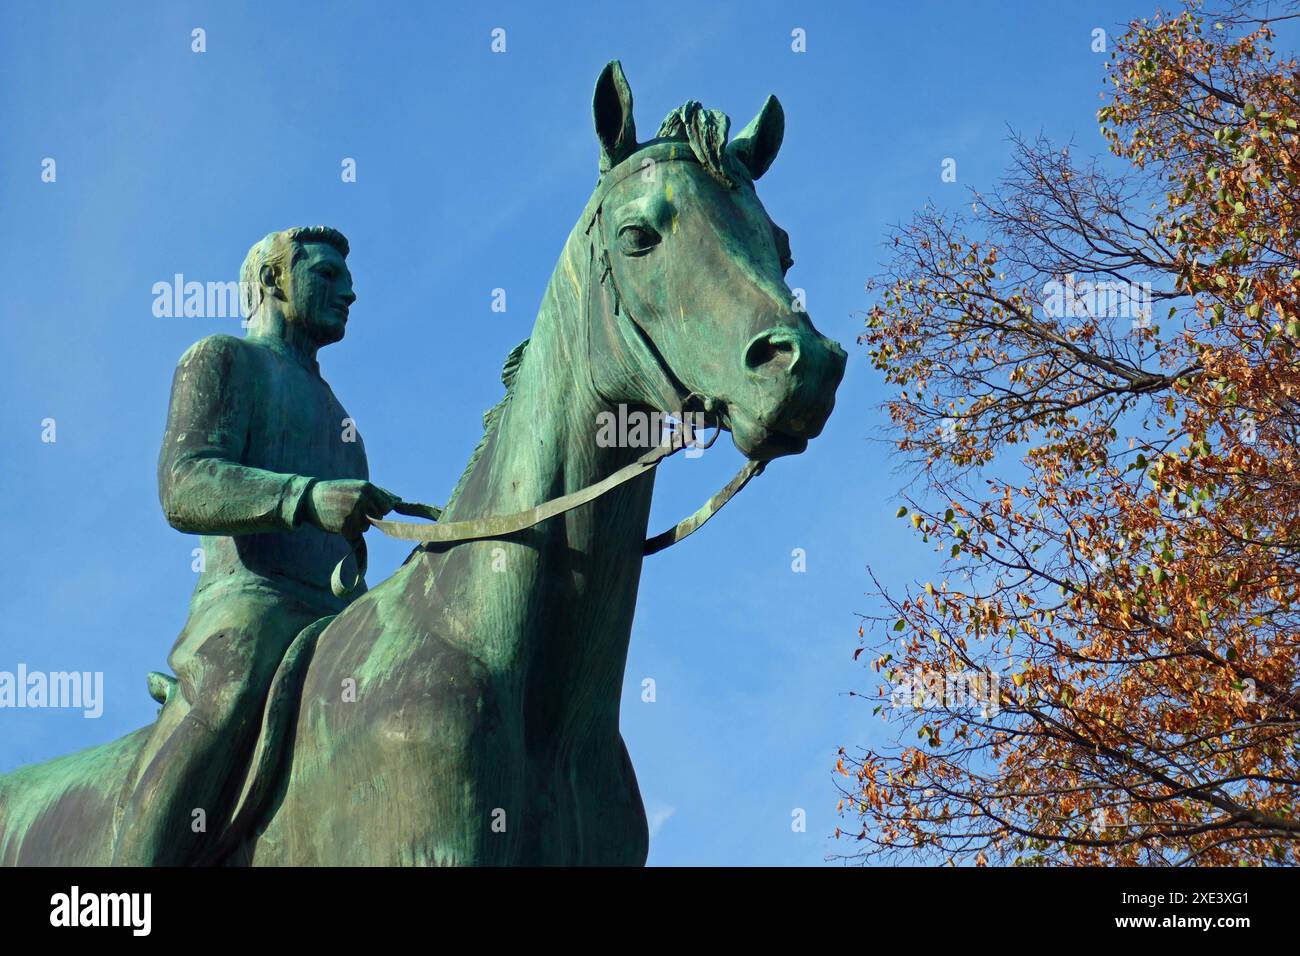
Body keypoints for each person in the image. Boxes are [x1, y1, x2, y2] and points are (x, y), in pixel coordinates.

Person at [111, 226, 398, 865]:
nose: (349, 293)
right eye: (327, 275)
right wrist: (306, 497)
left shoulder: (344, 424)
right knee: (231, 690)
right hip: (251, 606)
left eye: (348, 279)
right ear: (273, 279)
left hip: (335, 617)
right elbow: (184, 484)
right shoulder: (221, 359)